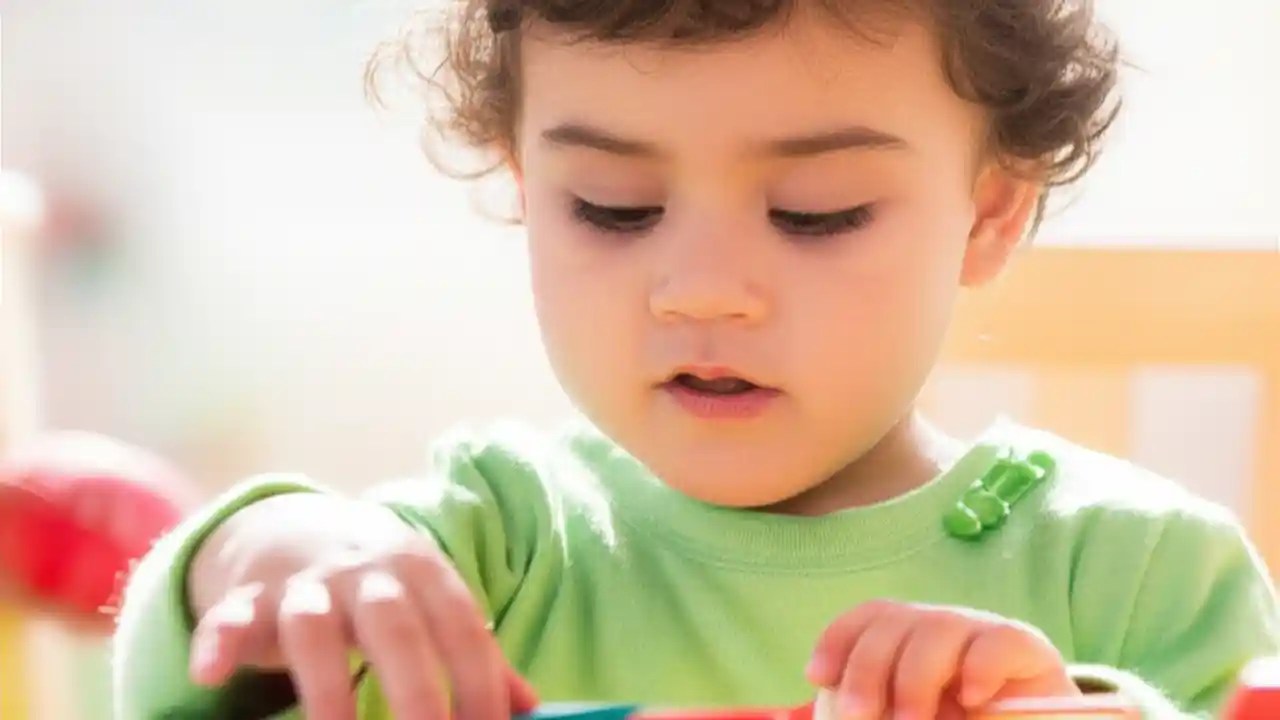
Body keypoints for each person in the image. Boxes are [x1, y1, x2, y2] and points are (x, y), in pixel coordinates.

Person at [112, 1, 1280, 719]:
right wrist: (279, 549)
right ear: (525, 188)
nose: (700, 289)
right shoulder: (502, 537)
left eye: (816, 212)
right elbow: (213, 673)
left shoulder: (1140, 572)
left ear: (985, 216)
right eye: (613, 208)